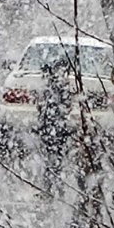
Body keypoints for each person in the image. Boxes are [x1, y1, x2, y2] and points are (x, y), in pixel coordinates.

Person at [35, 59, 76, 194]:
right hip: (56, 127)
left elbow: (40, 105)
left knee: (50, 158)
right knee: (56, 158)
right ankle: (56, 186)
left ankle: (50, 187)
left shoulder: (50, 86)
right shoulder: (61, 86)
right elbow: (66, 106)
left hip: (50, 126)